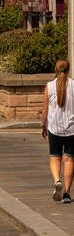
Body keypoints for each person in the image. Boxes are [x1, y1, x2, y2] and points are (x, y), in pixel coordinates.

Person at [41, 59, 74, 203]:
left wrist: (43, 125)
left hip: (54, 127)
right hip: (72, 128)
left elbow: (45, 109)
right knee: (69, 159)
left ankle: (57, 181)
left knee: (55, 157)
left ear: (56, 69)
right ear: (68, 70)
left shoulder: (50, 86)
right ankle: (66, 194)